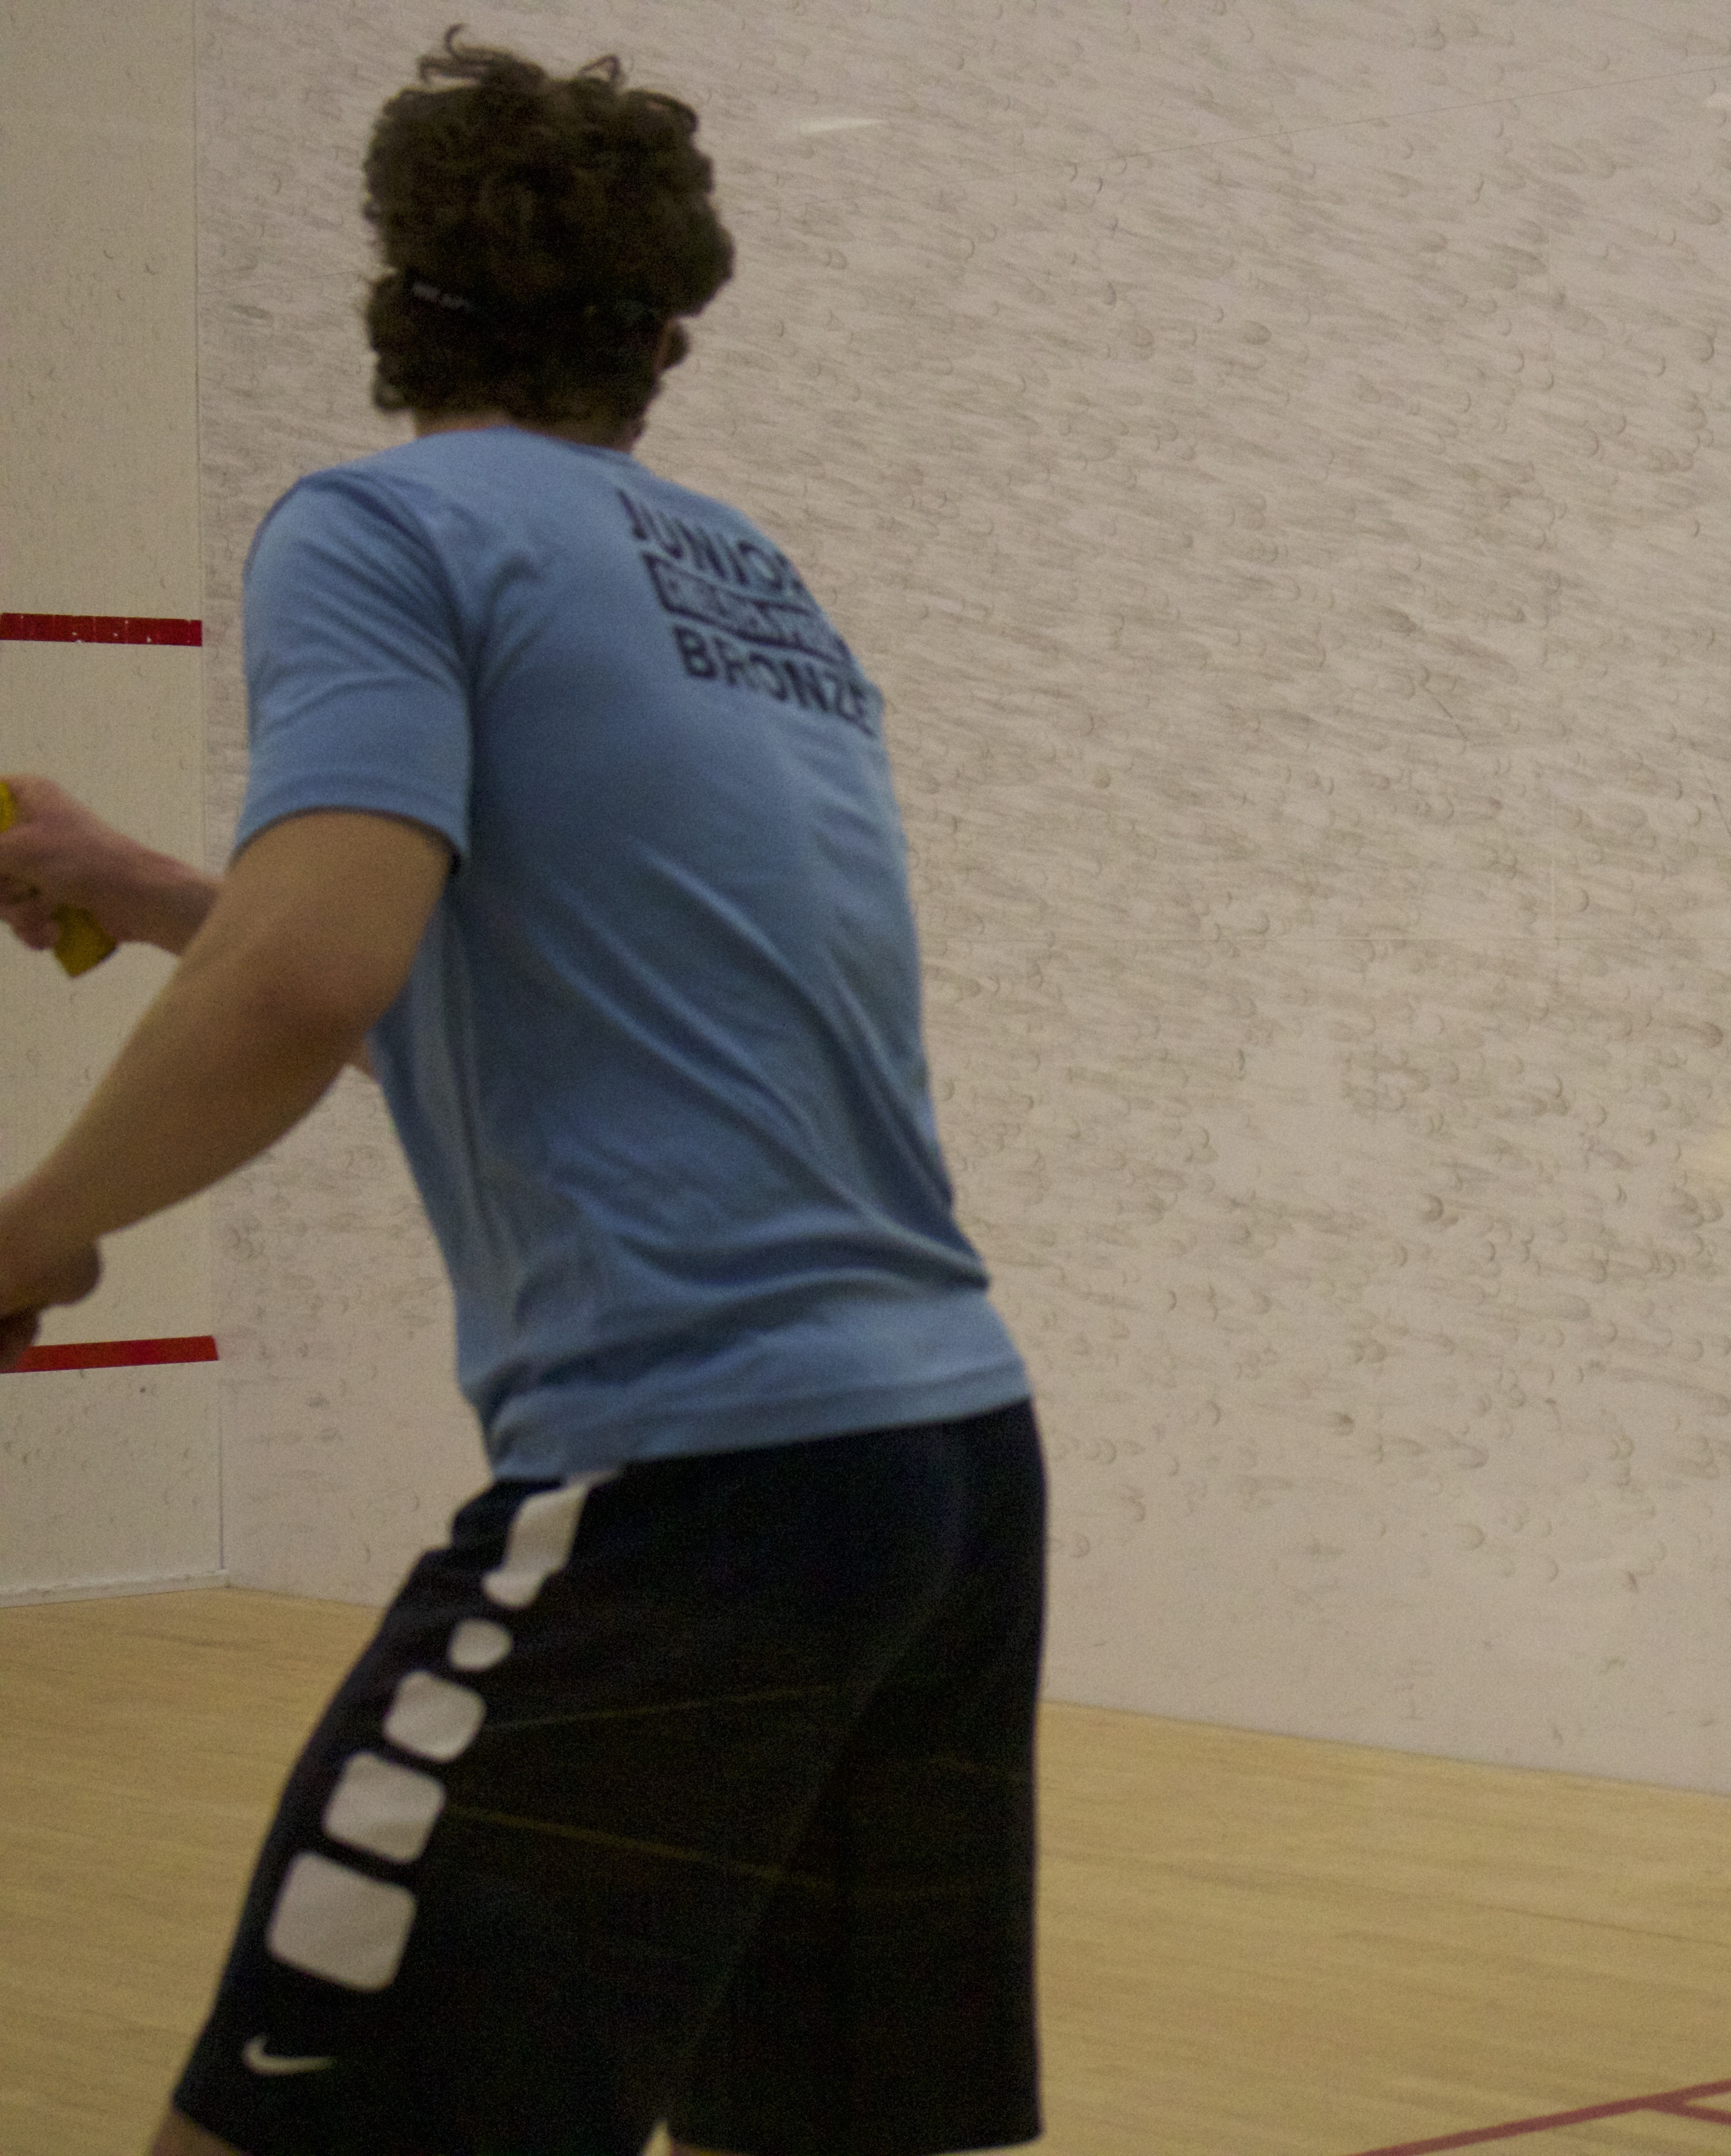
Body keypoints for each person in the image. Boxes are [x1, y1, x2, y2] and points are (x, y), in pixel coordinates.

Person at [0, 35, 1045, 2156]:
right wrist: (144, 889)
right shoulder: (752, 588)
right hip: (944, 1475)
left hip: (697, 1489)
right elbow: (545, 977)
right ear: (666, 333)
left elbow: (321, 972)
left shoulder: (379, 530)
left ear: (393, 289)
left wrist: (32, 1234)